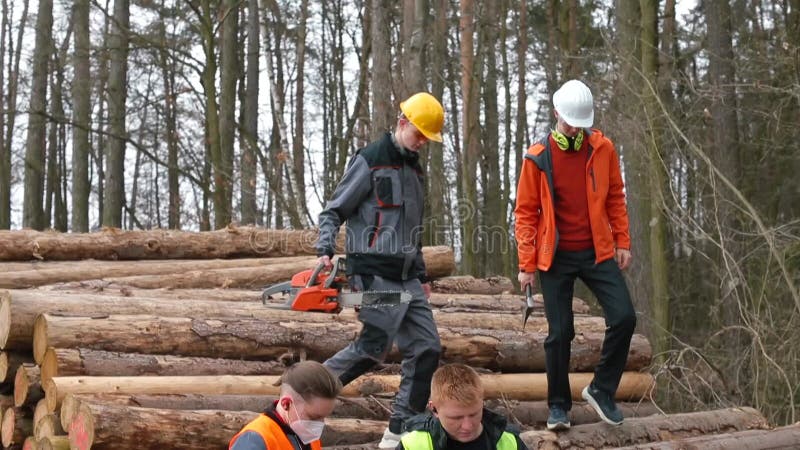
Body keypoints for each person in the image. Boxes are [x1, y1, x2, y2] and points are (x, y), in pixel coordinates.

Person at [315, 92, 445, 448]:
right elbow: (333, 212)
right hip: (373, 274)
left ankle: (400, 428)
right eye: (418, 134)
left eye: (426, 138)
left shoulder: (416, 171)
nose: (421, 143)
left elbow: (413, 232)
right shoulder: (369, 160)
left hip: (407, 277)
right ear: (402, 123)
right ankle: (307, 390)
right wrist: (325, 249)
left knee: (428, 348)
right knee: (373, 347)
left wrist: (421, 275)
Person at [514, 79, 637, 430]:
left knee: (625, 317)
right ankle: (558, 406)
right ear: (556, 115)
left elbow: (615, 195)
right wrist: (526, 264)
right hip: (554, 256)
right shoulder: (537, 158)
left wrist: (622, 240)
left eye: (580, 124)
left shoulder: (603, 149)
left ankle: (601, 389)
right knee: (560, 332)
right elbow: (525, 213)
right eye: (569, 123)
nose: (575, 129)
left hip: (597, 250)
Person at [397, 363, 528, 450]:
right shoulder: (413, 446)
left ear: (482, 403)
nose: (468, 426)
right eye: (456, 418)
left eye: (474, 414)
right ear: (434, 409)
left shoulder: (509, 444)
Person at [228, 361, 343, 450]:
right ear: (286, 404)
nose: (319, 424)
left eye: (323, 417)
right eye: (313, 417)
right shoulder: (255, 439)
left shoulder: (310, 439)